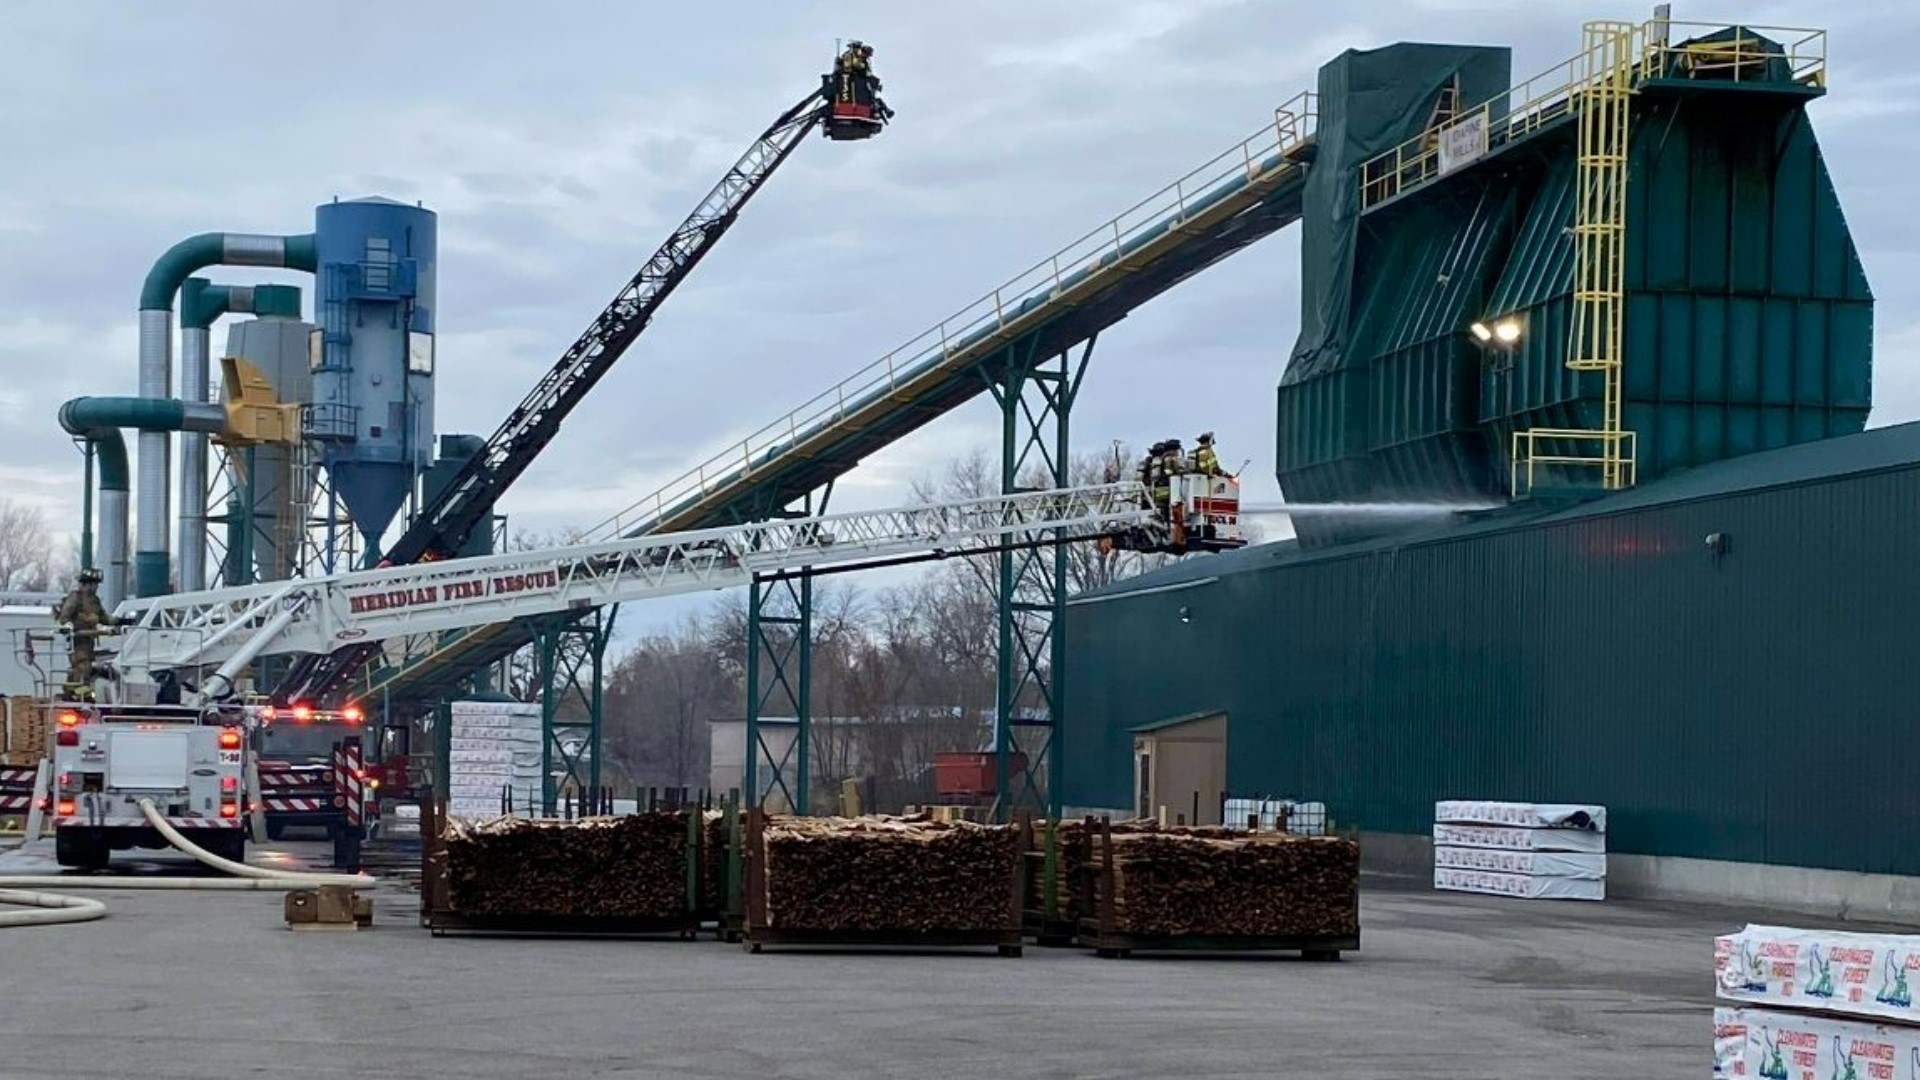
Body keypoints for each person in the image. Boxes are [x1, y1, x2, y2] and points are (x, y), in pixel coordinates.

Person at [54, 568, 124, 700]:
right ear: (86, 584)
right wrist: (69, 627)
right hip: (77, 640)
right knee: (83, 665)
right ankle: (81, 694)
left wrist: (120, 621)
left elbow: (103, 618)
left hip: (88, 640)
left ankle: (70, 692)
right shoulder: (75, 598)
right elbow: (64, 617)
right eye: (94, 584)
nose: (96, 587)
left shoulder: (95, 601)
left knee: (83, 666)